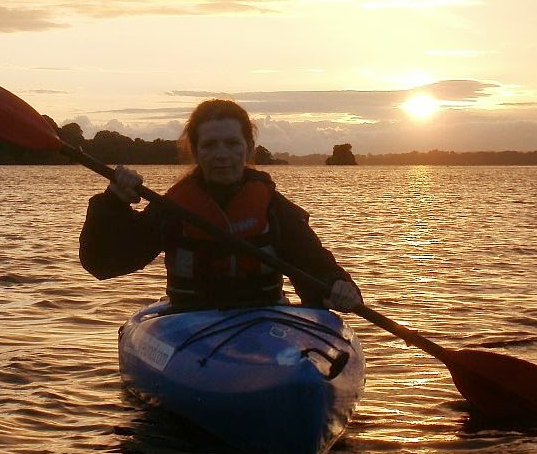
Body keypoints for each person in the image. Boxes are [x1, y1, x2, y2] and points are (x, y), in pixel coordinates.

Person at [79, 99, 363, 312]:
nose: (221, 154)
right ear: (196, 150)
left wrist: (338, 286)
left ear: (248, 148)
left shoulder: (272, 208)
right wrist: (112, 202)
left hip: (264, 320)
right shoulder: (173, 208)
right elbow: (103, 263)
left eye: (231, 143)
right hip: (190, 322)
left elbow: (313, 263)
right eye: (210, 145)